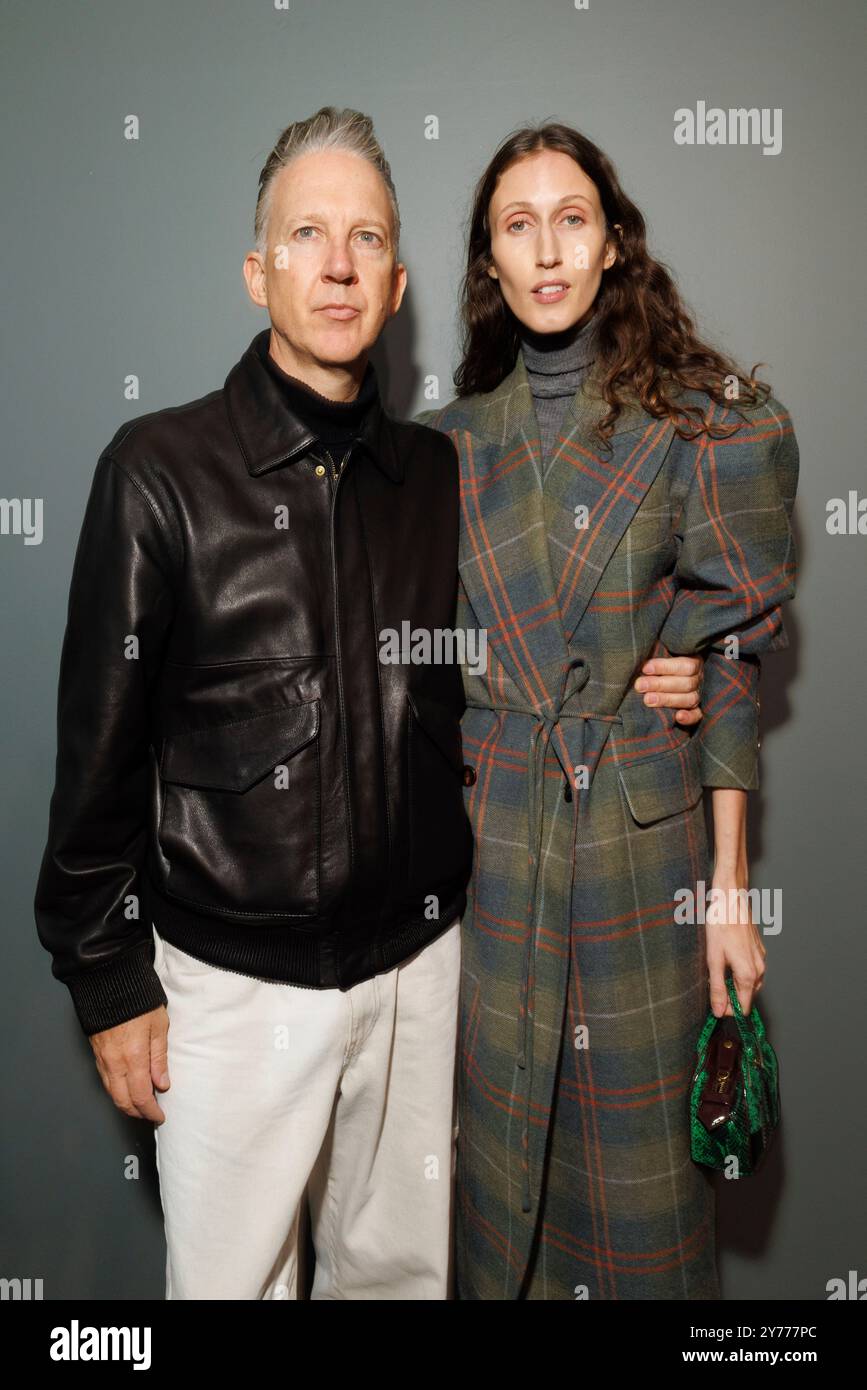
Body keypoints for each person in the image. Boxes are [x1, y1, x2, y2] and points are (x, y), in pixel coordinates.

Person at [34, 105, 704, 1301]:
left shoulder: (439, 472)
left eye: (366, 239)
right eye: (307, 235)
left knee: (396, 1286)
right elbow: (96, 750)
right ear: (259, 270)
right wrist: (107, 977)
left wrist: (673, 659)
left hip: (420, 973)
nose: (337, 264)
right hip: (231, 991)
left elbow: (527, 645)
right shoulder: (157, 471)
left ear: (398, 286)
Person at [414, 121, 798, 1300]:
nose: (545, 250)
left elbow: (730, 655)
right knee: (499, 1184)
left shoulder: (700, 423)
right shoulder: (444, 445)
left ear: (614, 243)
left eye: (570, 219)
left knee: (638, 1206)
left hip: (642, 863)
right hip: (497, 854)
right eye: (516, 226)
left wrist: (731, 899)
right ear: (488, 259)